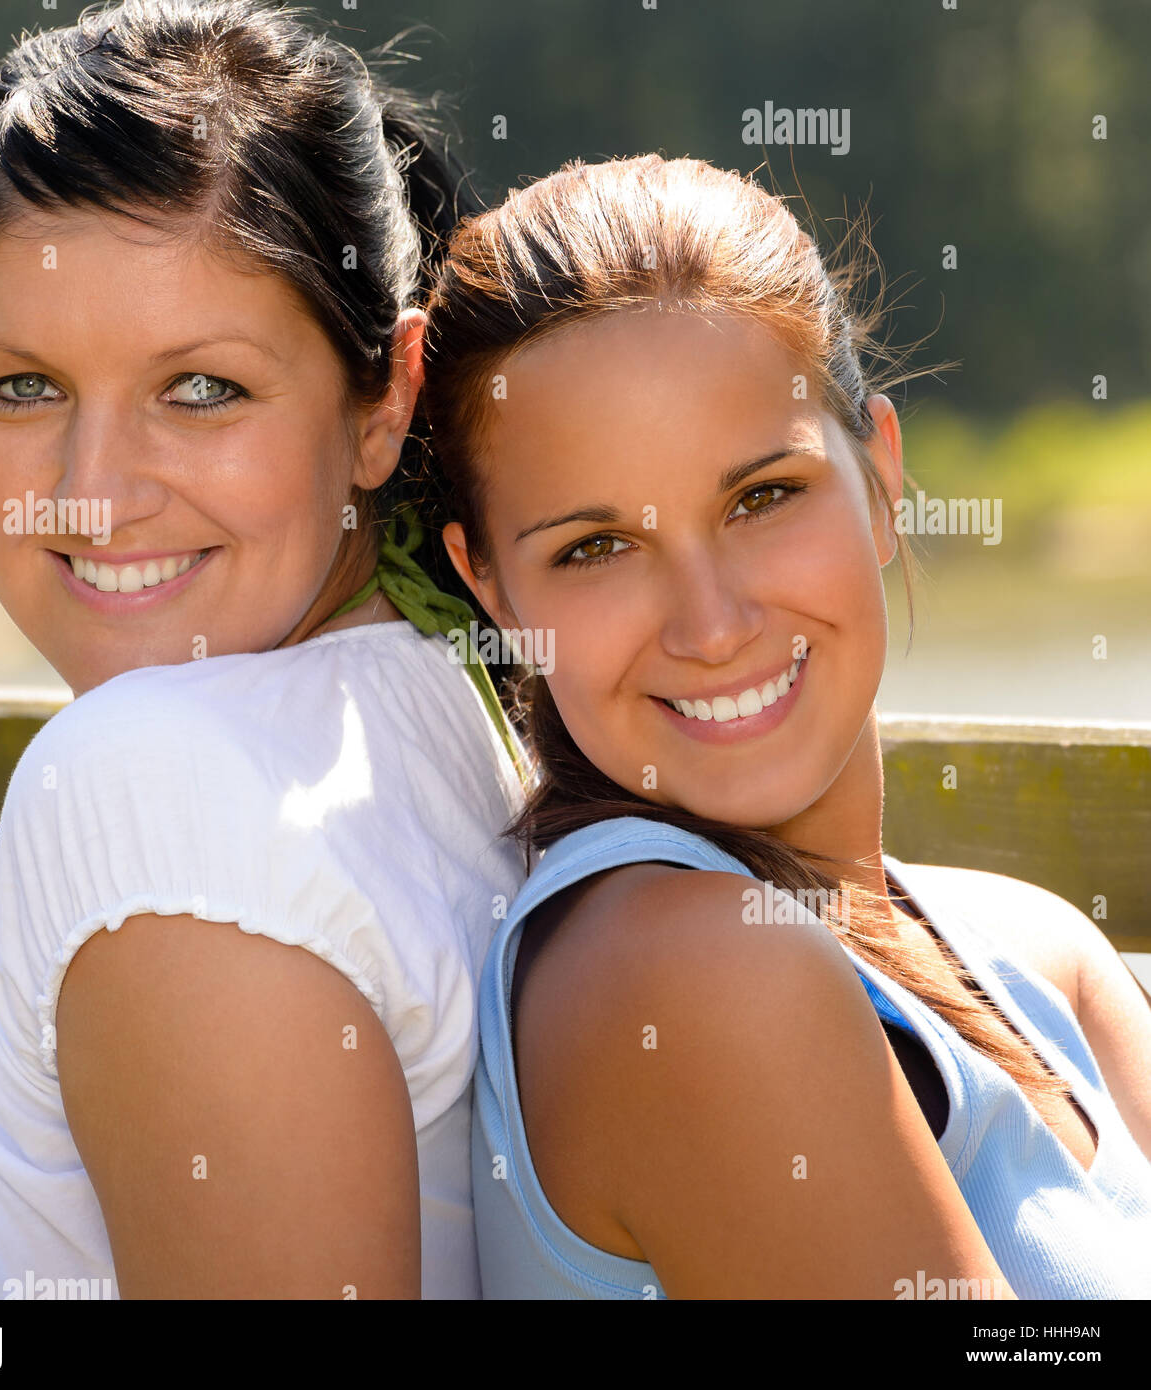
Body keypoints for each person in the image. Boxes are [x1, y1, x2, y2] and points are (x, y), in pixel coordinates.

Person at [0, 0, 526, 1299]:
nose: (91, 493)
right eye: (22, 386)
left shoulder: (150, 780)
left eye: (202, 389)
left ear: (386, 397)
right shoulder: (454, 700)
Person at [419, 153, 1151, 1299]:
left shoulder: (1035, 950)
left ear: (882, 477)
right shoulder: (687, 978)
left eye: (760, 497)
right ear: (491, 588)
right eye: (596, 547)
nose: (712, 626)